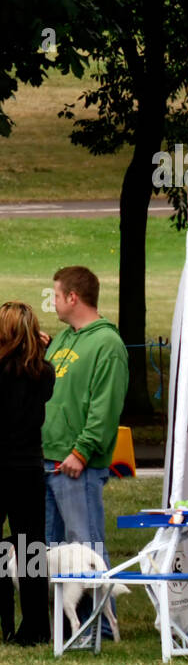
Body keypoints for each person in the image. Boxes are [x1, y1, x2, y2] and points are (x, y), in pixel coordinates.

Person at [42, 267, 128, 625]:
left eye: (57, 295)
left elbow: (105, 408)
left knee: (85, 545)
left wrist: (82, 451)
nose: (54, 302)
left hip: (77, 463)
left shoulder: (107, 344)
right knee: (47, 546)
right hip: (46, 457)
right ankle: (57, 624)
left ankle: (101, 625)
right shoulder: (64, 339)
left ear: (73, 297)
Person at [0, 302, 56, 645]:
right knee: (31, 547)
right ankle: (35, 625)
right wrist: (38, 347)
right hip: (28, 466)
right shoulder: (42, 372)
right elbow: (43, 382)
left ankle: (5, 617)